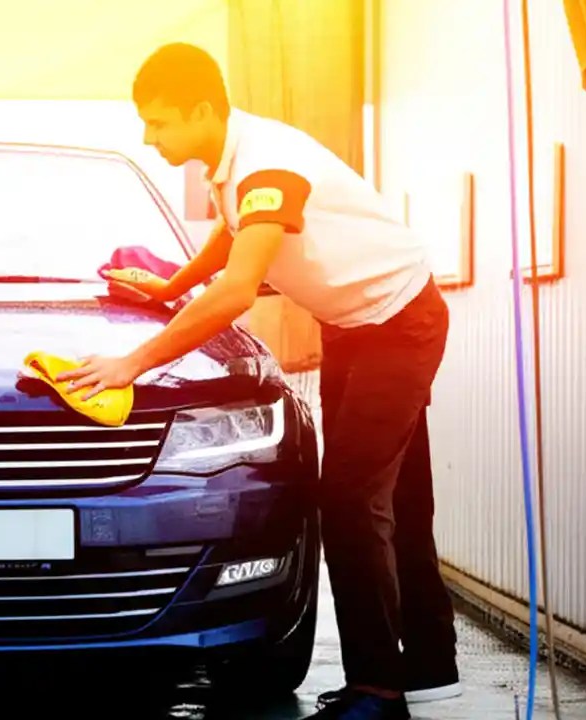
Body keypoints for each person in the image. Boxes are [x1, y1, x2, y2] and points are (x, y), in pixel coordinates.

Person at [56, 43, 459, 720]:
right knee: (398, 497)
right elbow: (231, 232)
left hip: (398, 322)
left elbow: (240, 288)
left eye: (159, 122)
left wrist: (131, 363)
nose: (150, 137)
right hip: (355, 325)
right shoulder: (233, 166)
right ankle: (428, 661)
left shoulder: (268, 163)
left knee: (350, 499)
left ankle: (377, 692)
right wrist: (173, 286)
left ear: (203, 110)